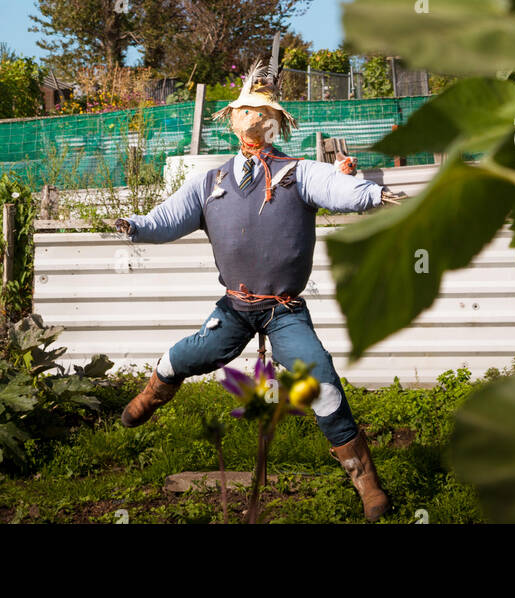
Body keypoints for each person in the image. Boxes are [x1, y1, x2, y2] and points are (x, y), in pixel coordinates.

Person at [115, 57, 403, 521]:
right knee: (182, 358)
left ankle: (366, 483)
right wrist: (136, 226)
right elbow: (168, 218)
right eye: (245, 111)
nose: (253, 119)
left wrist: (369, 193)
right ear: (231, 120)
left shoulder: (299, 173)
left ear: (276, 124)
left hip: (283, 310)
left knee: (323, 386)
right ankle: (152, 392)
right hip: (234, 307)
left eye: (262, 113)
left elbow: (336, 188)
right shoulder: (210, 183)